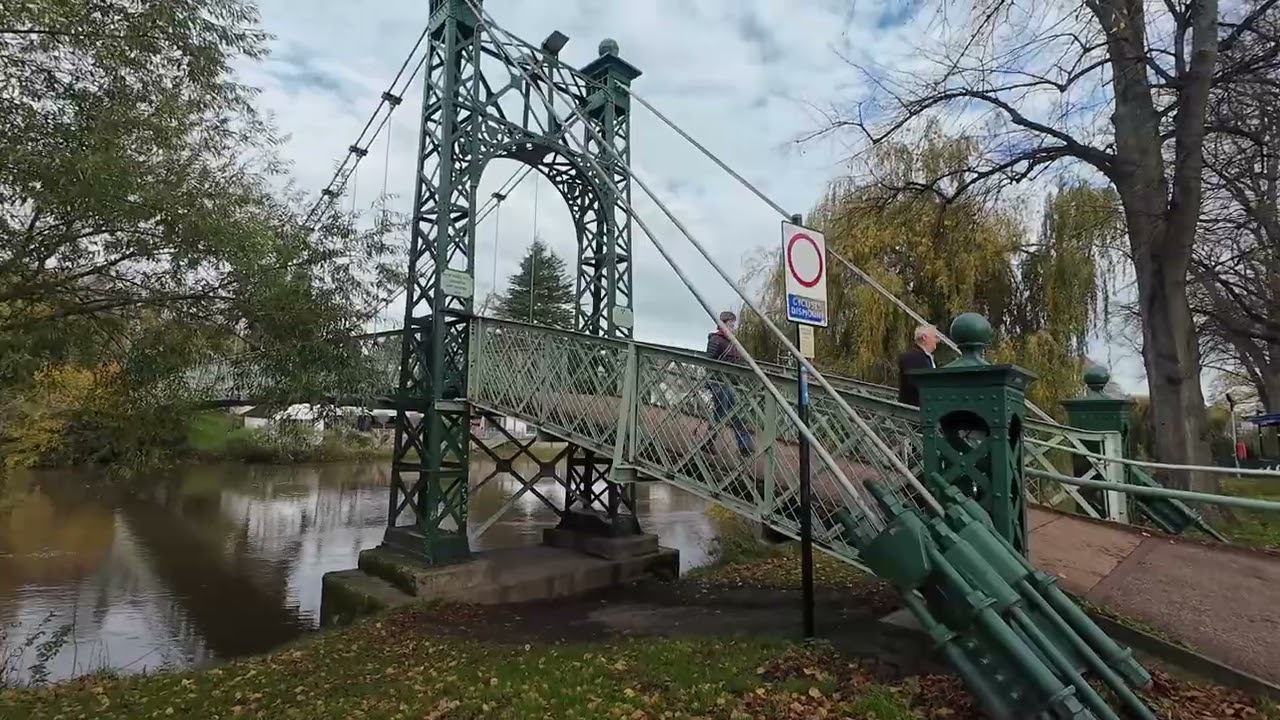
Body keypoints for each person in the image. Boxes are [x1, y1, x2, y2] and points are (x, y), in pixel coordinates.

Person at [704, 311, 753, 455]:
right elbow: (708, 361)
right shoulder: (716, 340)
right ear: (722, 325)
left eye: (733, 325)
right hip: (717, 383)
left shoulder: (733, 342)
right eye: (730, 325)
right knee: (721, 414)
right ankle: (708, 442)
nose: (733, 328)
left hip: (728, 383)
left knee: (735, 413)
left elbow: (737, 361)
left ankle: (743, 446)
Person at [897, 324, 937, 407]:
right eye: (935, 337)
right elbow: (915, 384)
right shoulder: (912, 357)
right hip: (914, 412)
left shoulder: (924, 357)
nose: (937, 340)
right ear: (924, 337)